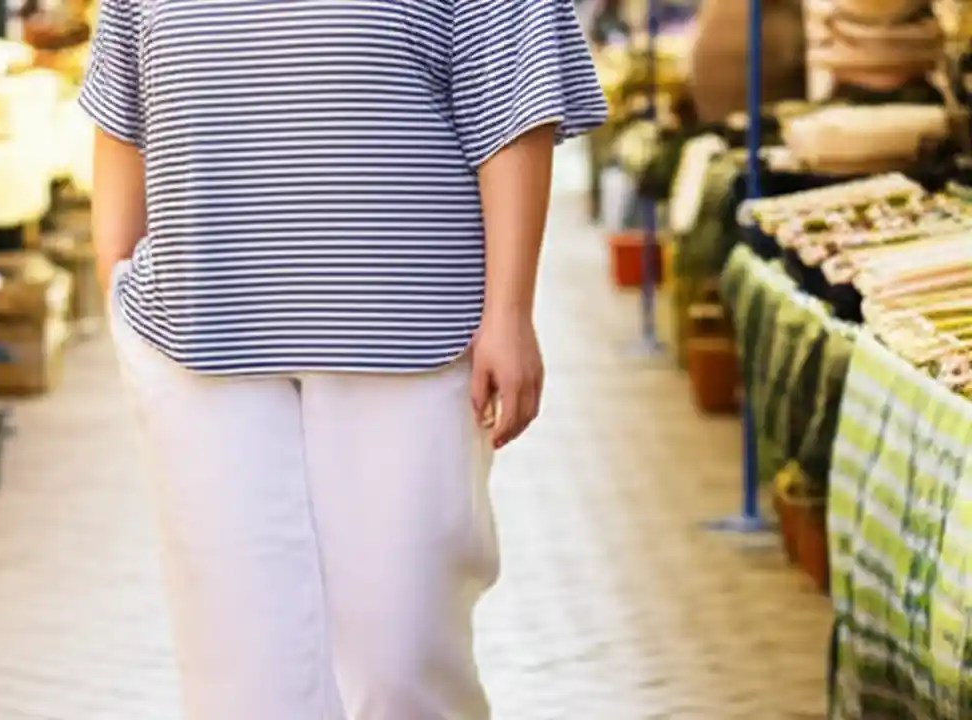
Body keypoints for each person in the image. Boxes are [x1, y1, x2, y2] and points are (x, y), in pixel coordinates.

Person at [82, 1, 607, 718]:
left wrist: (509, 313)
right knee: (241, 678)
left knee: (405, 661)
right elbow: (123, 107)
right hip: (197, 337)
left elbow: (516, 102)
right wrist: (115, 277)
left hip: (411, 334)